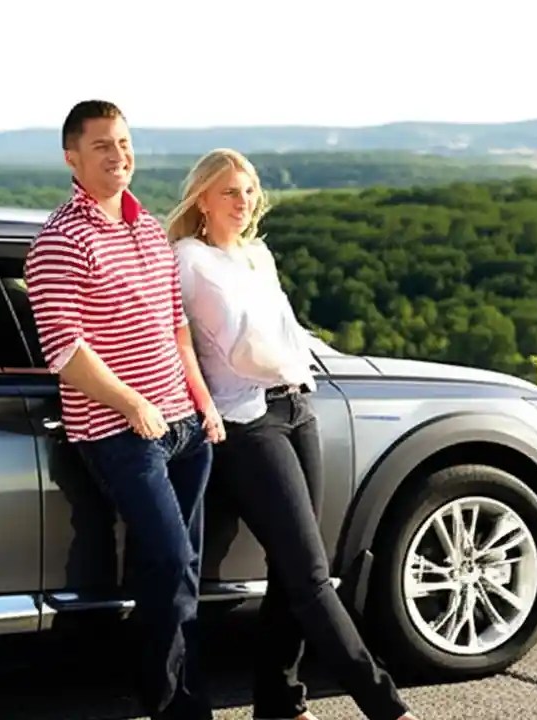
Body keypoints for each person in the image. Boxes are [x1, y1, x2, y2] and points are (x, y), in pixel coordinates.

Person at [167, 149, 418, 720]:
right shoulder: (187, 259)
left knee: (292, 570)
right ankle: (386, 706)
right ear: (201, 198)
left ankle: (280, 700)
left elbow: (289, 332)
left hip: (299, 406)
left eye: (249, 190)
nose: (242, 201)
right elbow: (198, 344)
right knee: (310, 577)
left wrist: (314, 361)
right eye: (229, 191)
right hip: (245, 421)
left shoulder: (258, 256)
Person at [24, 100, 226, 720]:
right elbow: (66, 351)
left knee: (179, 567)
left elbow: (176, 328)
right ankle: (174, 705)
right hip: (119, 430)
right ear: (72, 158)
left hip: (183, 427)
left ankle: (173, 690)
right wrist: (132, 402)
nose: (119, 155)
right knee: (167, 558)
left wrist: (203, 403)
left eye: (125, 143)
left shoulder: (148, 230)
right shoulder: (61, 240)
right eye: (104, 145)